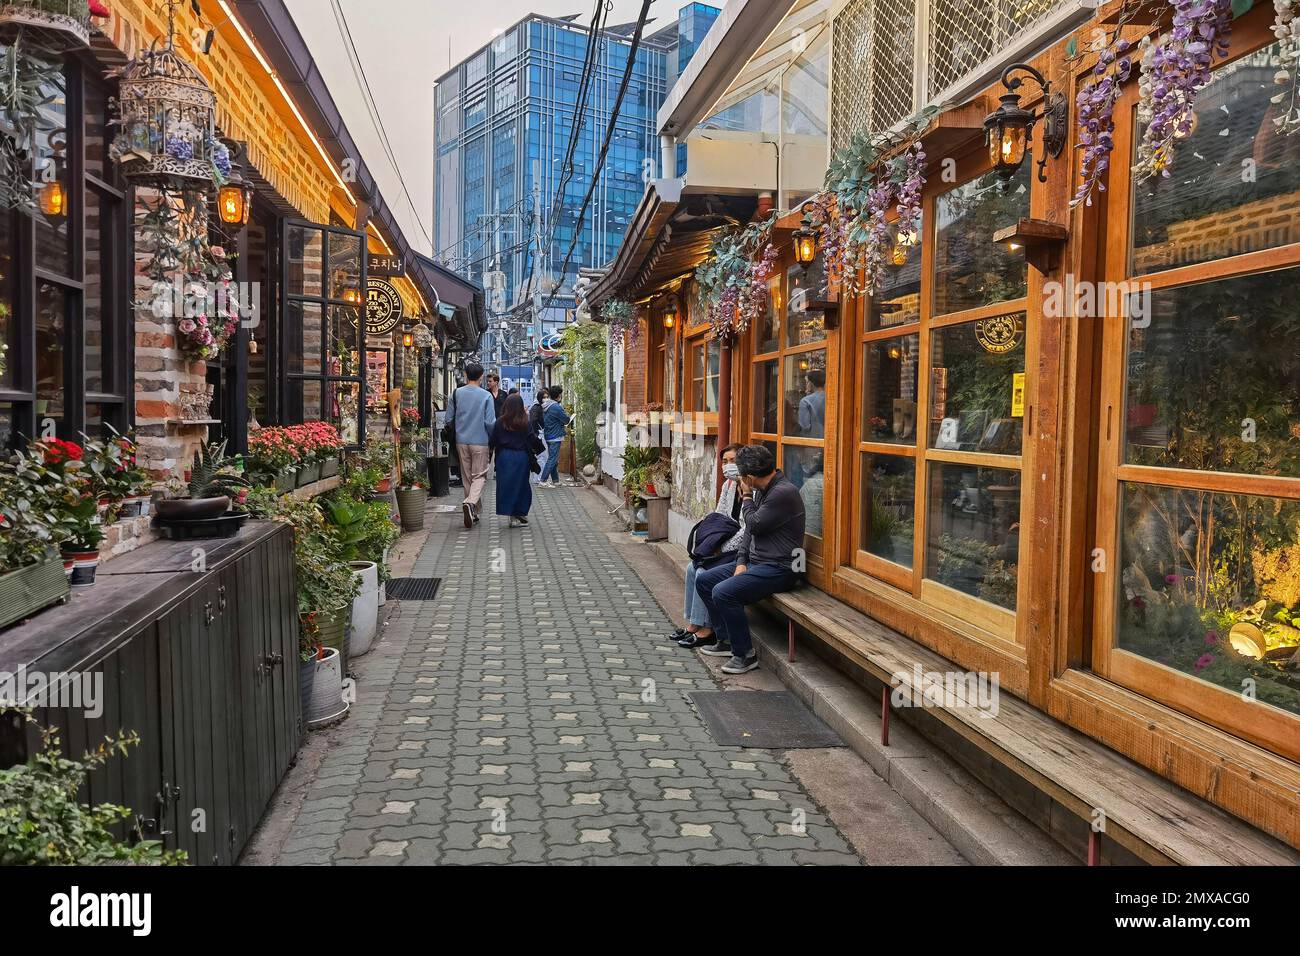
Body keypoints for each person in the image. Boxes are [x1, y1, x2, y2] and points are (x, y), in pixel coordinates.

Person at [695, 444, 805, 675]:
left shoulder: (782, 492)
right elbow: (750, 532)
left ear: (750, 477)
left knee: (724, 592)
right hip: (756, 562)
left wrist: (745, 496)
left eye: (743, 477)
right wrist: (742, 561)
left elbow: (753, 523)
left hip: (781, 568)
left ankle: (744, 654)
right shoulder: (765, 489)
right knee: (704, 580)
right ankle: (725, 640)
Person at [674, 444, 744, 650]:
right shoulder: (728, 486)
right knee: (692, 567)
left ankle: (708, 631)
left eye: (733, 461)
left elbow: (747, 530)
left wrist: (722, 549)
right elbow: (719, 517)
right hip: (724, 543)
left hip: (740, 550)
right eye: (725, 461)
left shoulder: (752, 490)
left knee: (704, 571)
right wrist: (712, 542)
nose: (728, 466)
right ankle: (694, 624)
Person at [450, 361, 495, 528]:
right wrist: (492, 439)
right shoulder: (486, 395)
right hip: (480, 441)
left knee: (467, 477)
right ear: (482, 376)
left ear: (466, 375)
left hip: (461, 441)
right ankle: (470, 503)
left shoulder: (456, 393)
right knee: (480, 476)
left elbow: (448, 418)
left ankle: (474, 512)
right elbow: (490, 422)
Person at [490, 393, 542, 527]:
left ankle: (511, 513)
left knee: (505, 486)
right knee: (522, 485)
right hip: (521, 457)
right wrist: (540, 448)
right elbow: (532, 439)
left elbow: (493, 441)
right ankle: (518, 512)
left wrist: (488, 458)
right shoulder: (525, 422)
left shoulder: (500, 422)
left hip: (504, 457)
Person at [538, 385, 572, 488]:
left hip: (548, 434)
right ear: (558, 396)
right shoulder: (556, 407)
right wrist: (569, 416)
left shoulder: (547, 404)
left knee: (553, 458)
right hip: (555, 435)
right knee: (552, 459)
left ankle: (555, 480)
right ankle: (543, 481)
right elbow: (566, 420)